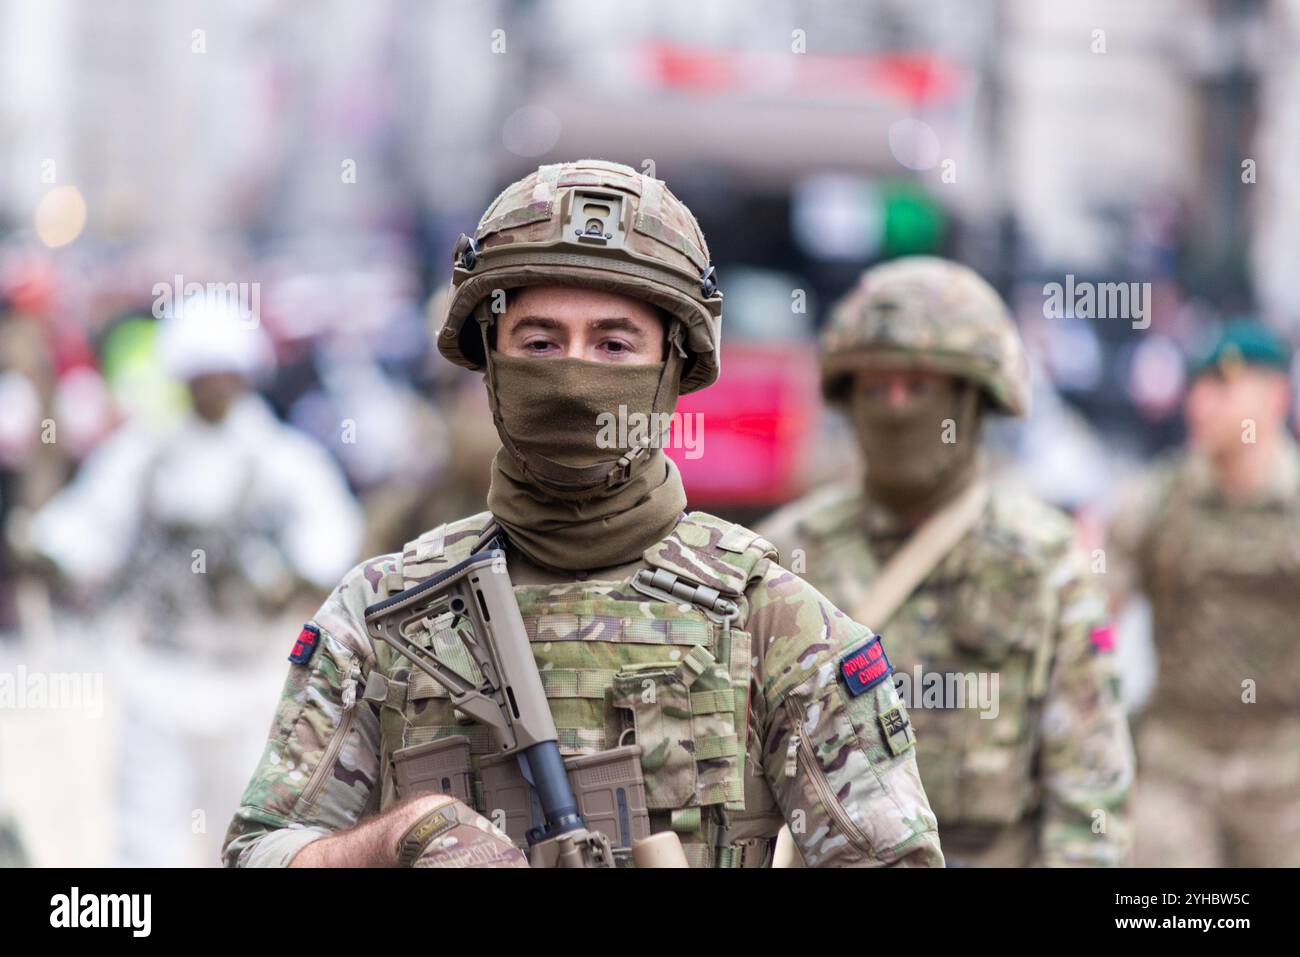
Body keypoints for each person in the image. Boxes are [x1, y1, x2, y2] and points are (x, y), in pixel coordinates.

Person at [222, 160, 943, 869]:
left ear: (672, 365)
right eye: (539, 343)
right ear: (491, 359)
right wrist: (404, 835)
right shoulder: (382, 612)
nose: (572, 377)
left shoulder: (775, 621)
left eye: (613, 343)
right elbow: (259, 850)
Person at [759, 257, 1133, 867]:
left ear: (972, 400)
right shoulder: (786, 557)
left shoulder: (1044, 560)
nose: (899, 408)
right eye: (878, 389)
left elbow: (1090, 790)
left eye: (921, 388)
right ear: (850, 402)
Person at [26, 294, 364, 866]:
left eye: (222, 374)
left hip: (254, 683)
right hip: (157, 675)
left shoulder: (282, 460)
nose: (211, 387)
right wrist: (47, 548)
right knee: (146, 839)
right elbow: (90, 521)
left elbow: (330, 528)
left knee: (252, 835)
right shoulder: (143, 454)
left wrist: (297, 575)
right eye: (199, 375)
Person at [1107, 319, 1300, 867]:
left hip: (1286, 780)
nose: (1202, 403)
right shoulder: (1157, 502)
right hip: (1177, 770)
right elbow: (1092, 621)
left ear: (1277, 397)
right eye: (1197, 386)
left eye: (1224, 386)